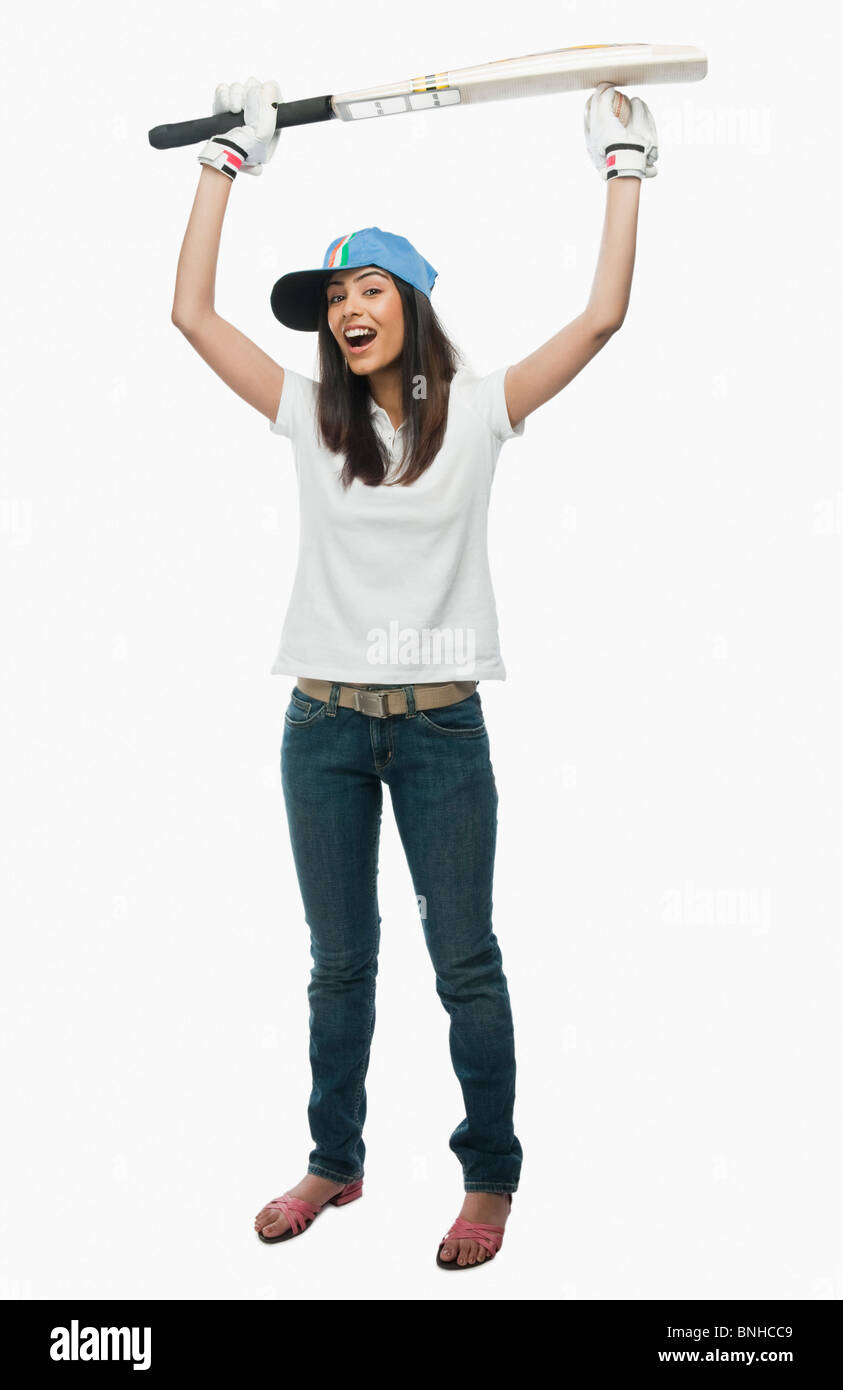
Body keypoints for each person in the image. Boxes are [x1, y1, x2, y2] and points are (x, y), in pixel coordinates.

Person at [171, 76, 657, 1269]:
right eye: (333, 296)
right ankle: (335, 1162)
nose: (345, 309)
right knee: (338, 965)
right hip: (320, 729)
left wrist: (626, 170)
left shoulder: (482, 413)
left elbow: (601, 318)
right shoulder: (305, 416)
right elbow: (191, 315)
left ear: (415, 307)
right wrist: (220, 169)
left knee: (466, 962)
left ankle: (488, 1174)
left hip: (441, 737)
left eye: (368, 287)